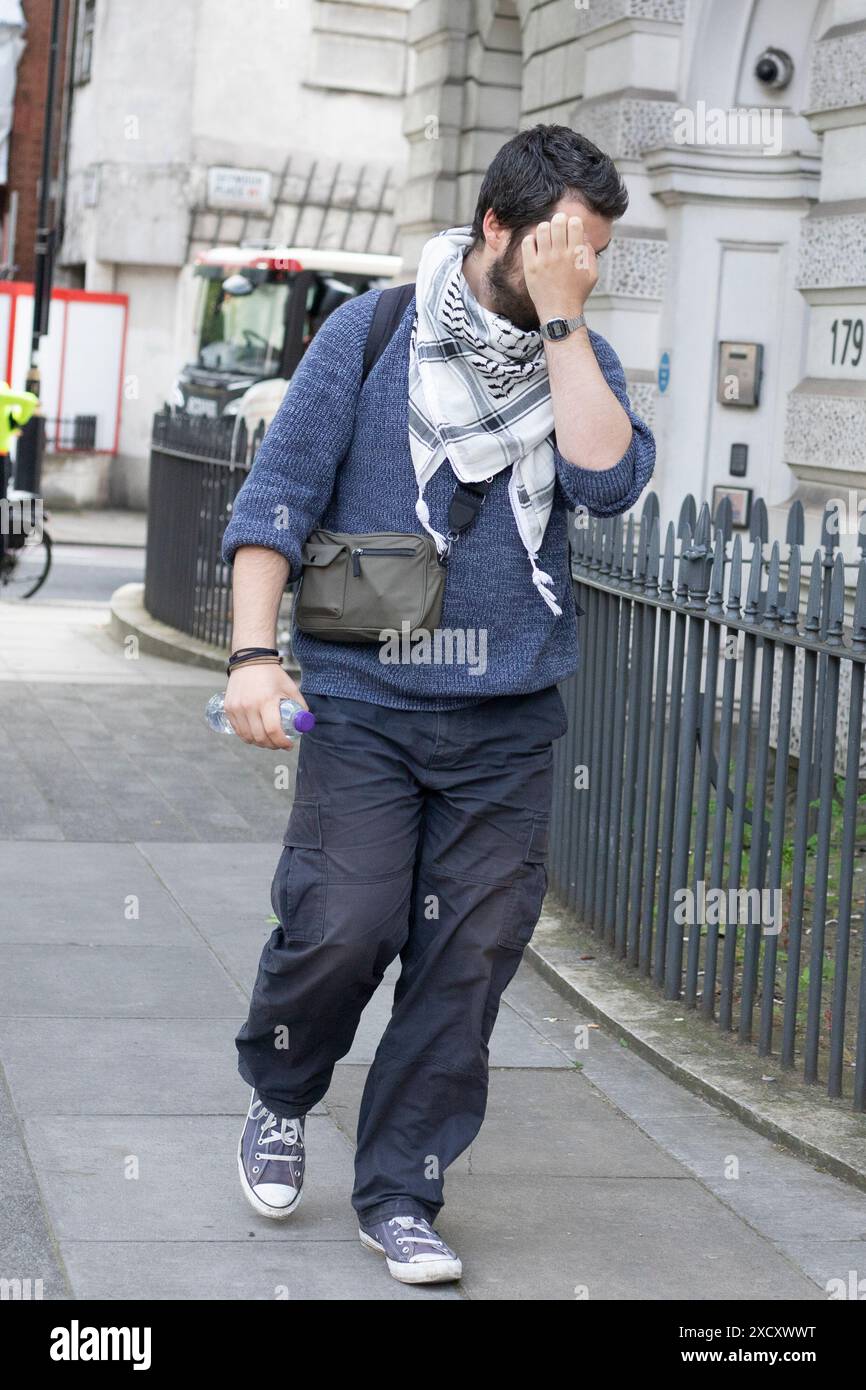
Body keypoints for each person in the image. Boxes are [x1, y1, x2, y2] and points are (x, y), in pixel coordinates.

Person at [221, 124, 655, 1286]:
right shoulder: (371, 335)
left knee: (465, 963)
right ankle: (280, 1090)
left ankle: (401, 1187)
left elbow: (608, 481)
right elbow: (272, 501)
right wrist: (251, 657)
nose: (584, 266)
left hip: (506, 721)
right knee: (342, 924)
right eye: (564, 243)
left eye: (598, 252)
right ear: (496, 227)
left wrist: (563, 320)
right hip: (363, 699)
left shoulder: (582, 358)